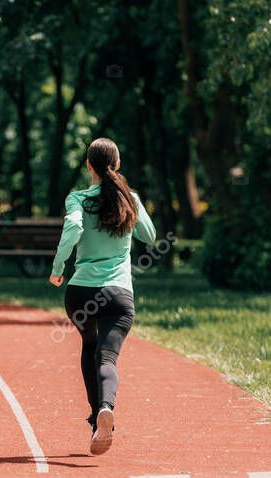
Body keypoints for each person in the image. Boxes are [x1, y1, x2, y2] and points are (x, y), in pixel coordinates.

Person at [48, 137, 155, 455]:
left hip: (81, 293)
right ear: (118, 164)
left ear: (88, 166)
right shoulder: (129, 199)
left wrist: (58, 269)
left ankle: (97, 417)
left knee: (89, 346)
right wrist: (132, 206)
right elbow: (149, 235)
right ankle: (105, 407)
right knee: (107, 357)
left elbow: (73, 230)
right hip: (119, 295)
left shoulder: (77, 199)